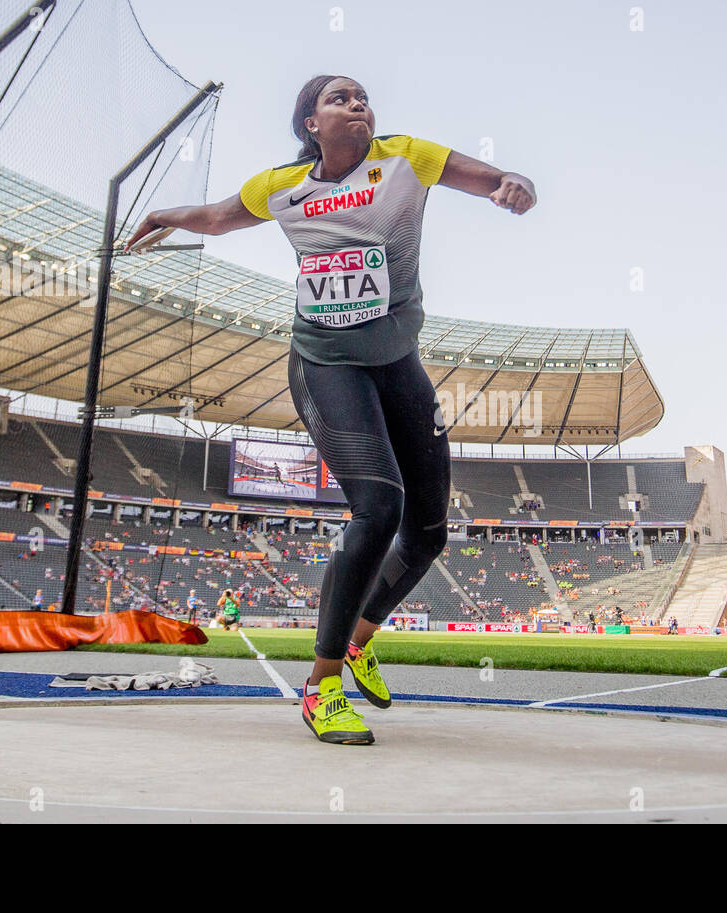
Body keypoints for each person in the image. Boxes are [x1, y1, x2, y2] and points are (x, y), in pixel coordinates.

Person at [128, 75, 535, 745]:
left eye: (364, 96)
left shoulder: (407, 157)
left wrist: (512, 183)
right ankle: (321, 688)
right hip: (327, 365)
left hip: (397, 363)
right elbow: (221, 216)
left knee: (428, 529)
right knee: (379, 507)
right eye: (340, 97)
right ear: (310, 123)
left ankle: (359, 638)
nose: (359, 104)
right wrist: (172, 215)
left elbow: (490, 177)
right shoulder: (282, 186)